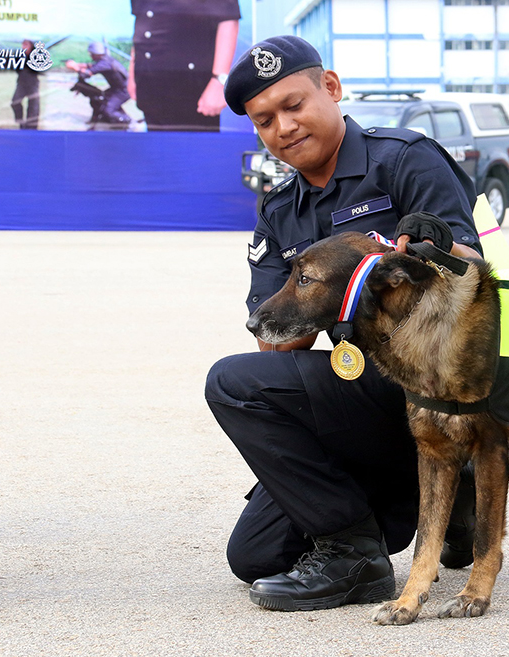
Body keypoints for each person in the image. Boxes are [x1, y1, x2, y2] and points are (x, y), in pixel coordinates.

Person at [205, 35, 482, 612]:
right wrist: (311, 292)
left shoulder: (404, 159)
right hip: (358, 382)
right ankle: (429, 496)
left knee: (230, 383)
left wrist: (431, 251)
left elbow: (471, 270)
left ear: (330, 88)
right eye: (264, 121)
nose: (283, 127)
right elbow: (275, 337)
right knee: (255, 556)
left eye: (293, 105)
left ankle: (356, 552)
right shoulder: (279, 210)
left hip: (427, 379)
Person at [128, 0, 240, 131]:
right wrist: (133, 72)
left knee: (195, 143)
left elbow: (228, 19)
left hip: (191, 87)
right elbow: (143, 19)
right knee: (156, 142)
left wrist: (219, 81)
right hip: (149, 82)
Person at [65, 42, 131, 125]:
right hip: (118, 89)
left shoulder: (104, 63)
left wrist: (74, 67)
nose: (91, 56)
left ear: (94, 53)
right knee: (99, 100)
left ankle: (128, 123)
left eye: (91, 54)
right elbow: (92, 66)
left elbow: (85, 74)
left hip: (123, 91)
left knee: (108, 111)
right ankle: (102, 120)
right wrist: (77, 65)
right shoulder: (106, 60)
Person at [11, 39, 39, 130]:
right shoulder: (19, 56)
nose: (24, 47)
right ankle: (21, 123)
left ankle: (31, 127)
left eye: (26, 45)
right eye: (23, 45)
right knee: (15, 102)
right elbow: (16, 68)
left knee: (33, 106)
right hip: (21, 83)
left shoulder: (36, 56)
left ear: (31, 46)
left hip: (33, 83)